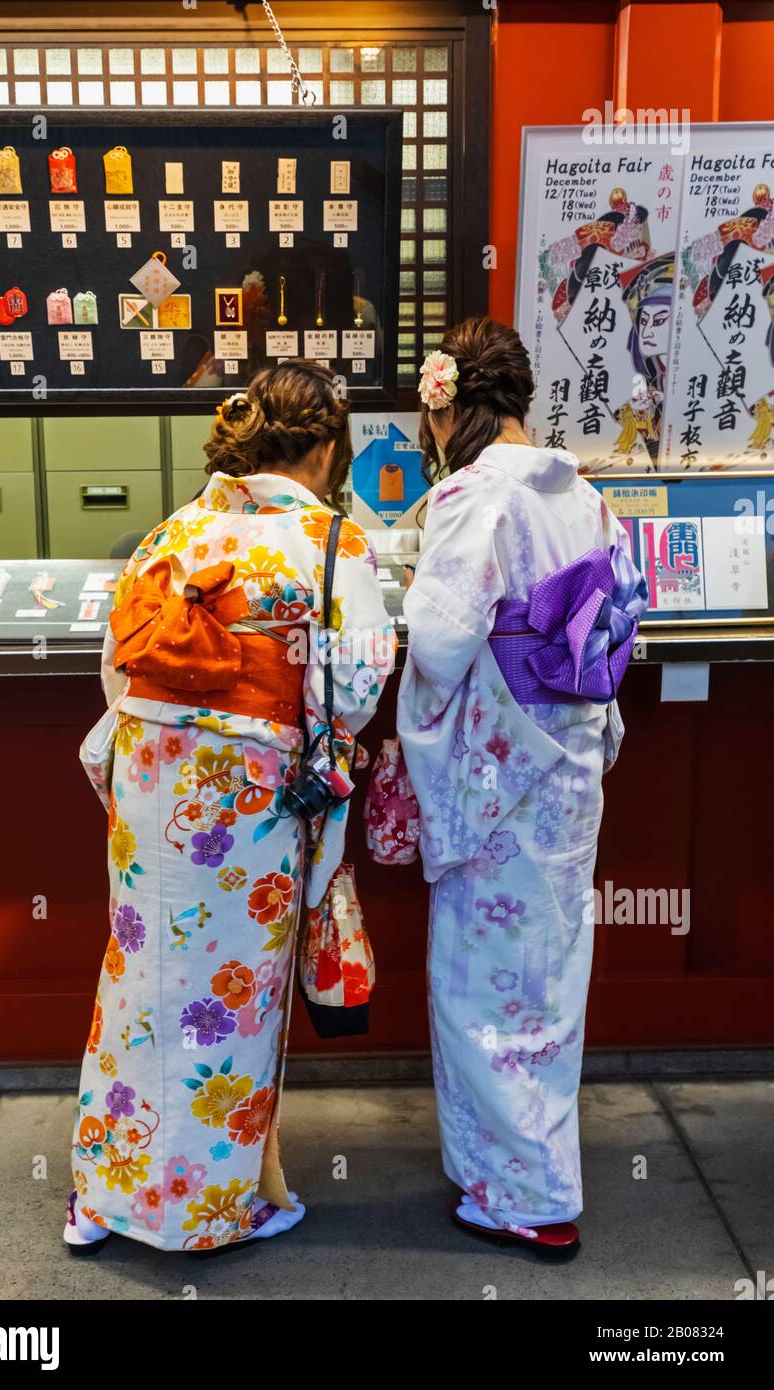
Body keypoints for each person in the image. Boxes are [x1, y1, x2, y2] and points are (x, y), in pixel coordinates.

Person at [65, 361, 395, 1254]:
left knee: (139, 978)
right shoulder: (331, 542)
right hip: (245, 788)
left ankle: (103, 1198)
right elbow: (356, 683)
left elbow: (118, 666)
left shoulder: (176, 532)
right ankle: (209, 1210)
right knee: (232, 991)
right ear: (326, 449)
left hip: (148, 774)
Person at [397, 318, 647, 1258]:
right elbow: (619, 631)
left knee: (482, 982)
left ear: (449, 404)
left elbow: (440, 640)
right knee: (549, 974)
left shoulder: (473, 496)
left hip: (500, 768)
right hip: (570, 757)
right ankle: (514, 1169)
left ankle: (523, 1195)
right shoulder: (583, 494)